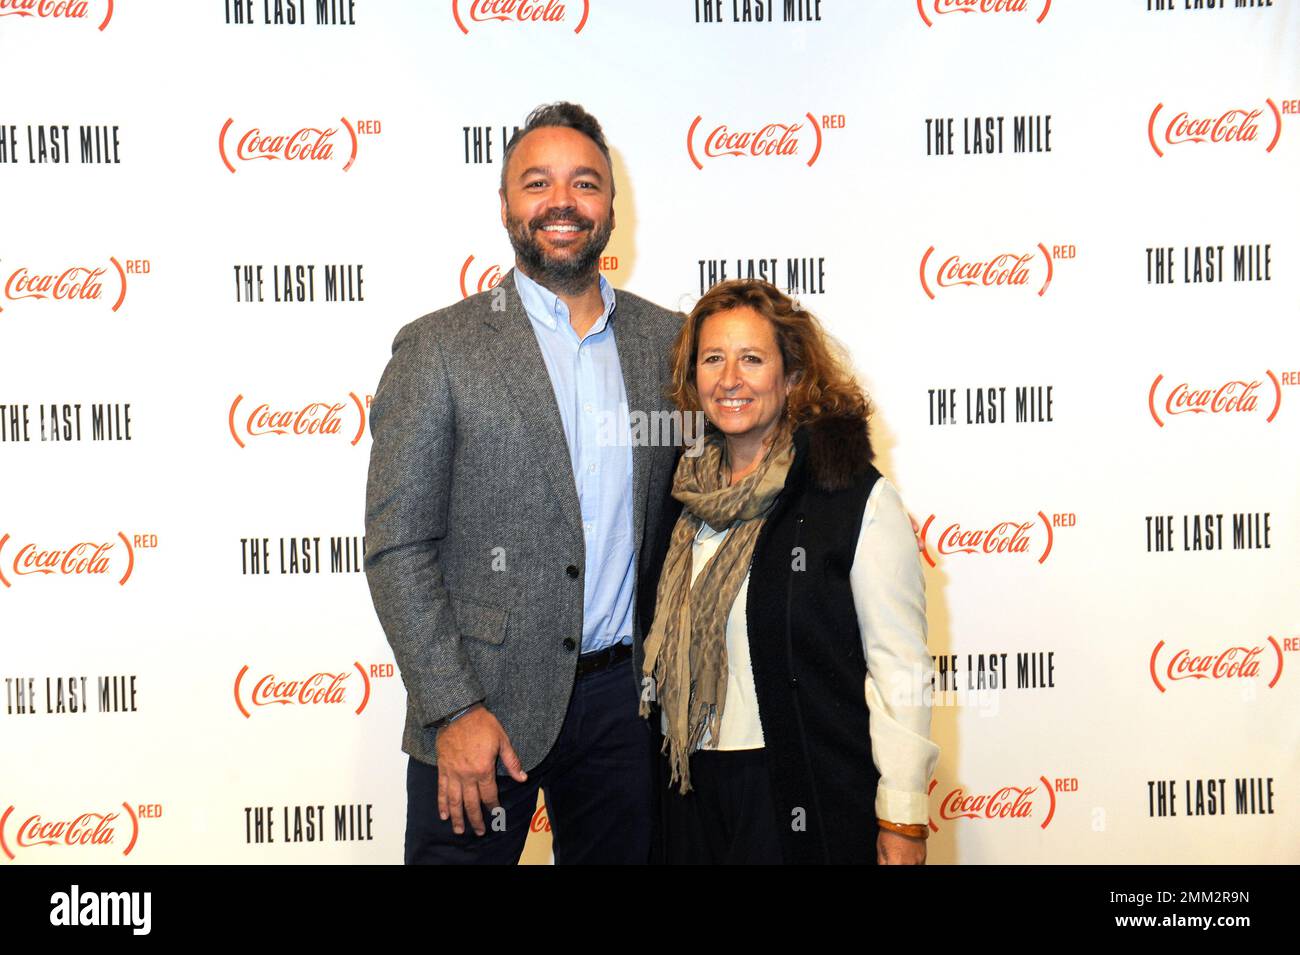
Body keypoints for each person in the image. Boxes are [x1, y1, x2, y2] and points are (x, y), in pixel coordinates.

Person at [365, 102, 682, 864]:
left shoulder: (668, 341)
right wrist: (454, 706)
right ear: (506, 205)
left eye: (585, 183)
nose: (562, 202)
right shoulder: (438, 347)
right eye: (536, 183)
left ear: (611, 206)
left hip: (624, 711)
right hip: (483, 708)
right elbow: (397, 545)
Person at [641, 279, 939, 865]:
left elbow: (899, 666)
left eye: (752, 359)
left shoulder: (851, 497)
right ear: (692, 377)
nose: (730, 379)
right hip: (687, 789)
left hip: (800, 790)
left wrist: (902, 819)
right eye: (713, 359)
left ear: (794, 376)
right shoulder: (679, 496)